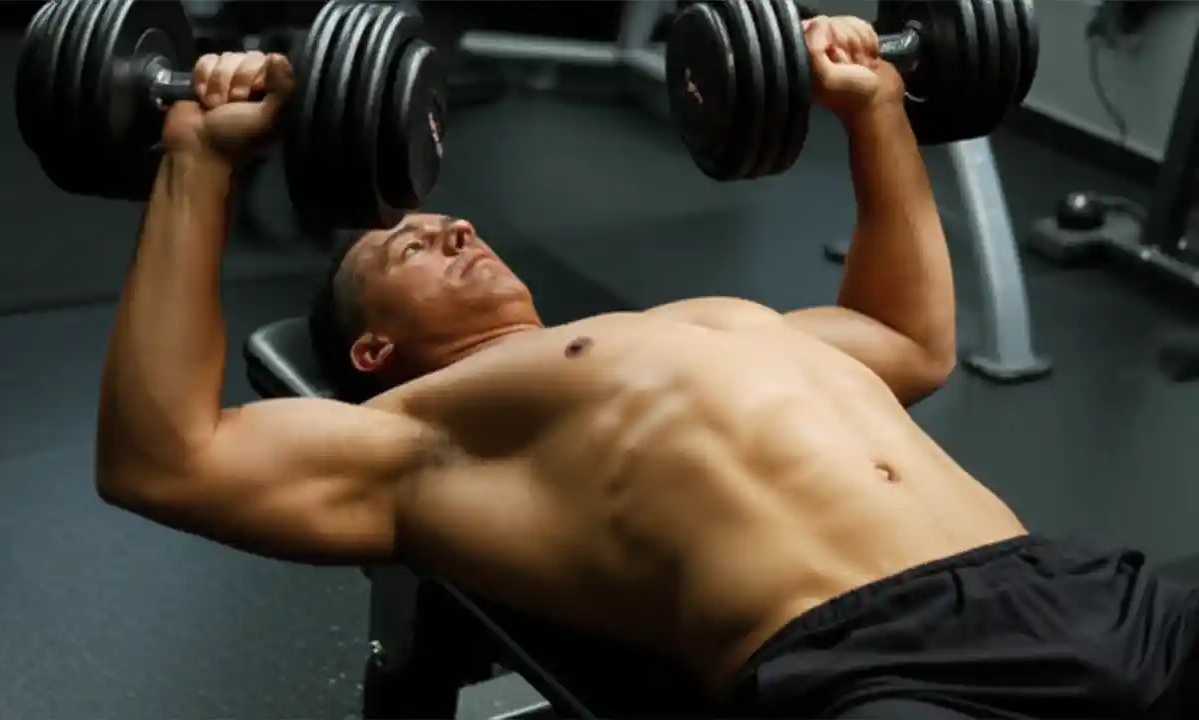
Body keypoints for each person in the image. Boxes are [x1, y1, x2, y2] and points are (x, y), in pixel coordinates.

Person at [95, 15, 1199, 719]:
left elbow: (908, 340)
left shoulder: (707, 321)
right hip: (887, 671)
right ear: (374, 351)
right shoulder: (423, 437)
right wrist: (196, 158)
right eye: (402, 247)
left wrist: (873, 112)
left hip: (1083, 590)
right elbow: (162, 458)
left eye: (438, 221)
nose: (447, 224)